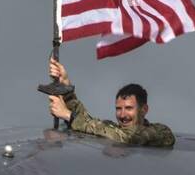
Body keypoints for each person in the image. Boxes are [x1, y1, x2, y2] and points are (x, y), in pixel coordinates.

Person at [46, 58, 175, 148]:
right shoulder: (111, 129)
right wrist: (66, 86)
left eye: (129, 108)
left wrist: (69, 116)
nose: (123, 115)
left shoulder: (160, 132)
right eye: (118, 108)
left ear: (144, 109)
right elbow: (90, 123)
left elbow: (128, 139)